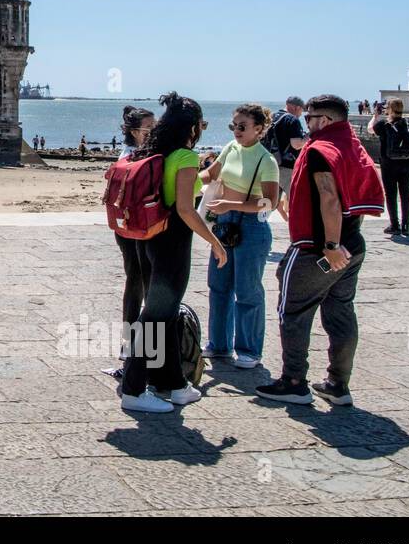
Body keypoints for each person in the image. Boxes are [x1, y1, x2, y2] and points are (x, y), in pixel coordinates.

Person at [257, 95, 384, 406]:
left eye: (310, 118)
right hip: (353, 245)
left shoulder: (320, 150)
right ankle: (338, 384)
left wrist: (330, 245)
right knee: (340, 312)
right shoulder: (353, 147)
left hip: (319, 249)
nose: (306, 123)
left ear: (325, 121)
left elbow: (329, 198)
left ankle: (294, 381)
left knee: (294, 311)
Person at [119, 93, 228, 414]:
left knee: (164, 315)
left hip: (147, 239)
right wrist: (214, 241)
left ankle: (176, 385)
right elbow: (185, 208)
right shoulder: (183, 156)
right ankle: (133, 389)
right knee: (154, 317)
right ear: (192, 127)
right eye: (201, 124)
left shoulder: (151, 152)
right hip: (173, 245)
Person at [199, 103, 280, 369]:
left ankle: (249, 350)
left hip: (251, 227)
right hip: (224, 222)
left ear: (259, 129)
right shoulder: (230, 148)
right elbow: (209, 176)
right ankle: (219, 345)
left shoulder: (266, 160)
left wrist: (231, 205)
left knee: (247, 290)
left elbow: (269, 202)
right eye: (234, 125)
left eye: (242, 126)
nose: (236, 130)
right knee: (219, 285)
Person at [107, 105, 156, 376]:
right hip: (139, 227)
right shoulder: (141, 157)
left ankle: (130, 346)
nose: (153, 132)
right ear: (135, 131)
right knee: (144, 283)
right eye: (149, 128)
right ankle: (141, 350)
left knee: (134, 281)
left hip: (124, 227)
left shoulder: (124, 155)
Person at [369, 98, 409, 237]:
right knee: (406, 195)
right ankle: (406, 226)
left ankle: (394, 225)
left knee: (391, 195)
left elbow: (370, 129)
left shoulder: (384, 124)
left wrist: (374, 117)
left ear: (389, 109)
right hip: (408, 164)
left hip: (389, 164)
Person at [269, 96, 307, 219]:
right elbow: (296, 144)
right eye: (301, 110)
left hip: (269, 163)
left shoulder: (272, 117)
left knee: (268, 202)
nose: (301, 114)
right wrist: (311, 136)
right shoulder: (292, 120)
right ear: (297, 107)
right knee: (297, 201)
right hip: (286, 166)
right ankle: (298, 231)